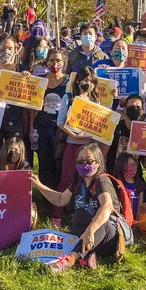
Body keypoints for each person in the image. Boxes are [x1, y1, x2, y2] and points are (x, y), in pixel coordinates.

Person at [31, 142, 130, 272]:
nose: (84, 164)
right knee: (79, 215)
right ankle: (87, 256)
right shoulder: (79, 182)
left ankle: (69, 260)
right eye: (80, 160)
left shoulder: (102, 181)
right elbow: (60, 199)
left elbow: (107, 206)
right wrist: (38, 185)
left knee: (100, 221)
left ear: (98, 163)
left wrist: (91, 230)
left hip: (107, 236)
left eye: (89, 160)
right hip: (85, 236)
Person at [53, 66, 100, 224]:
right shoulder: (69, 97)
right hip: (72, 144)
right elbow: (60, 122)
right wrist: (74, 135)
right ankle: (57, 215)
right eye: (85, 80)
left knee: (88, 180)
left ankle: (83, 212)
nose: (88, 83)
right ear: (78, 81)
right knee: (67, 178)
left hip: (89, 148)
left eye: (91, 81)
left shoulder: (95, 100)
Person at [34, 48, 70, 189]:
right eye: (52, 60)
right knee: (44, 162)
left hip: (61, 128)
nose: (55, 63)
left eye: (58, 60)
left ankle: (58, 192)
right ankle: (45, 193)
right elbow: (32, 106)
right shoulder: (41, 81)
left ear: (64, 62)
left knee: (59, 162)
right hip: (43, 127)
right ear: (47, 61)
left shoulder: (69, 82)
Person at [113, 153, 146, 222]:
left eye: (134, 164)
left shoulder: (139, 184)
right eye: (129, 165)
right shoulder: (117, 184)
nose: (132, 167)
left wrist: (136, 223)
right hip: (122, 221)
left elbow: (140, 207)